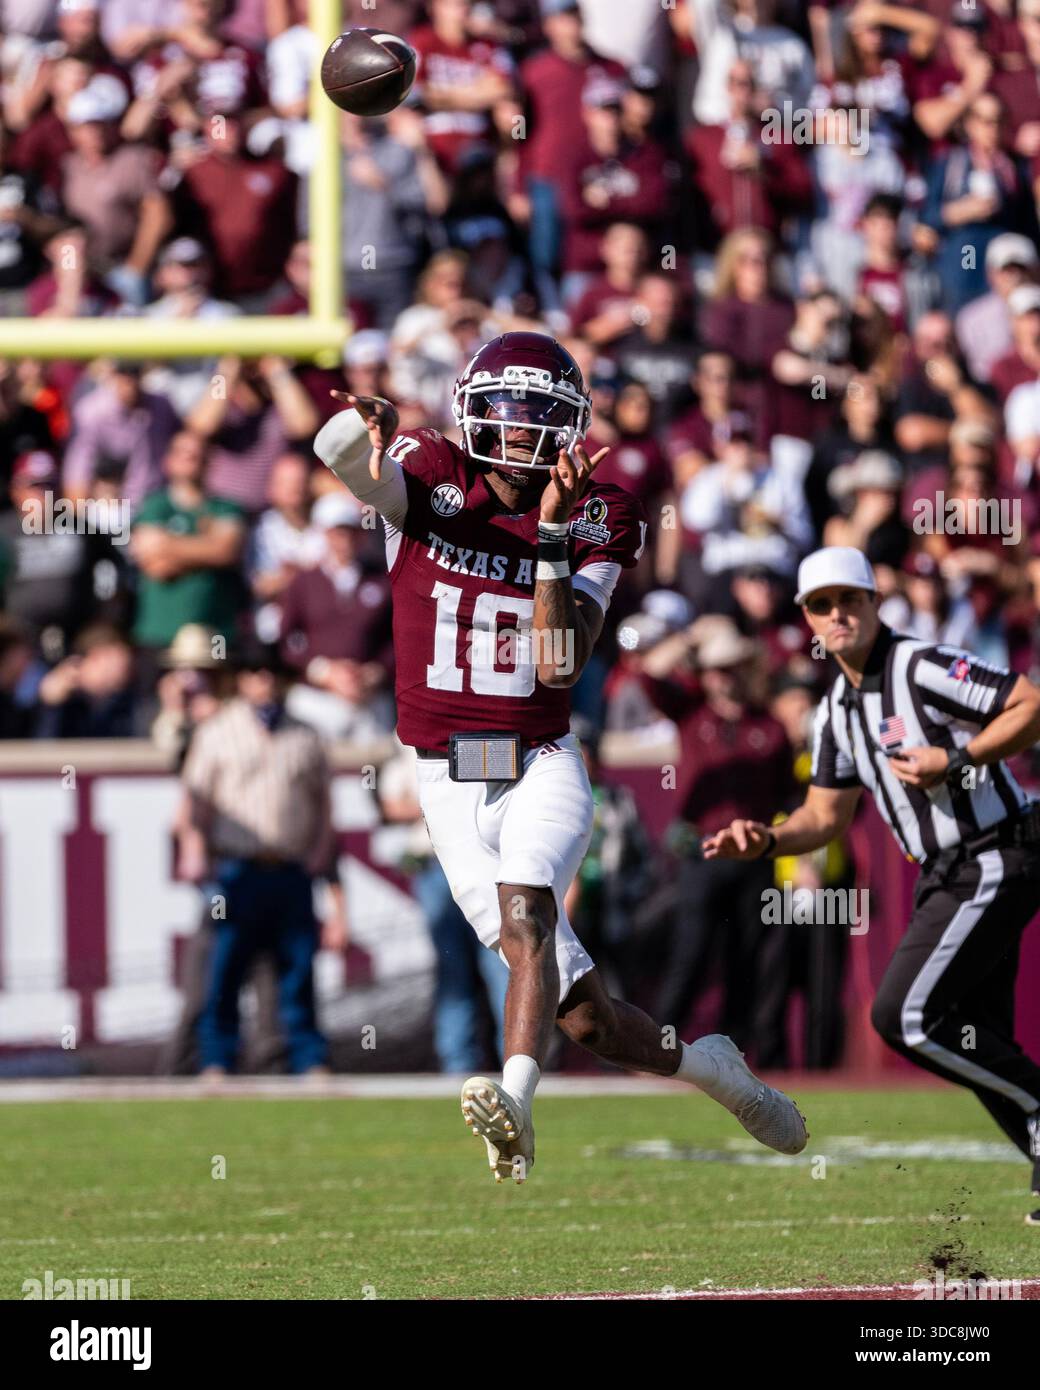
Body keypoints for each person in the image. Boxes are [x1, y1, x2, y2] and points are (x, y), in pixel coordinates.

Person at [314, 330, 807, 1185]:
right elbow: (342, 459)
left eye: (541, 411)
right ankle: (712, 1069)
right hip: (443, 775)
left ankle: (517, 1104)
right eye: (508, 406)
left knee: (526, 916)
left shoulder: (599, 510)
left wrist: (547, 537)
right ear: (472, 407)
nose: (520, 428)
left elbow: (556, 664)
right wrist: (362, 429)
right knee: (590, 1021)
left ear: (572, 421)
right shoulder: (431, 468)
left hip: (540, 757)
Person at [704, 545, 1040, 1226]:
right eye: (822, 605)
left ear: (871, 602)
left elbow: (1027, 703)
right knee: (974, 1033)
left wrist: (960, 757)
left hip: (996, 851)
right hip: (945, 871)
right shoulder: (835, 709)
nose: (837, 615)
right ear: (807, 619)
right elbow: (824, 816)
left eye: (848, 600)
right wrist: (766, 839)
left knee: (904, 1016)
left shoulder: (920, 665)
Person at [180, 638, 335, 1078]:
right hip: (236, 865)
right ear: (240, 680)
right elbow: (197, 800)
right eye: (253, 674)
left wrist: (319, 852)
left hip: (288, 866)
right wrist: (195, 850)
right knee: (225, 968)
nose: (262, 682)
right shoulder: (216, 731)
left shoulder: (305, 734)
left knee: (299, 967)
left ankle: (309, 1058)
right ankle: (217, 1058)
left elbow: (322, 801)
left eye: (269, 674)